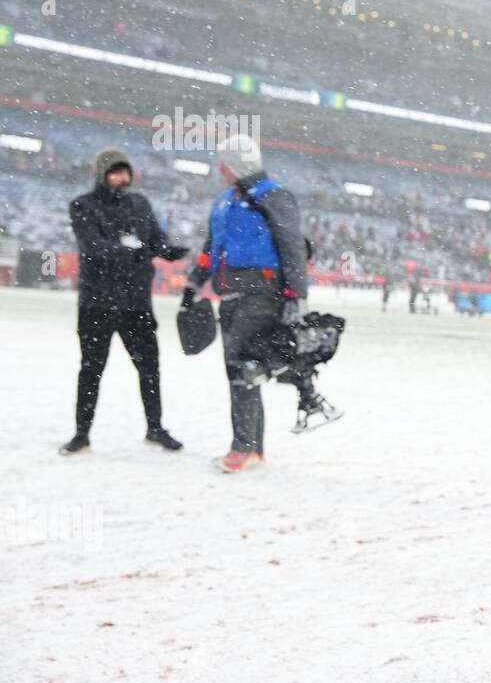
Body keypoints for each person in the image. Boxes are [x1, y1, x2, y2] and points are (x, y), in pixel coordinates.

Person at [184, 135, 318, 473]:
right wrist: (193, 284)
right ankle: (253, 448)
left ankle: (244, 448)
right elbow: (211, 246)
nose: (221, 169)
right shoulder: (225, 202)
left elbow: (293, 249)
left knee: (241, 364)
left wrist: (295, 297)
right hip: (230, 293)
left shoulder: (274, 197)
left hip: (264, 292)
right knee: (239, 367)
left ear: (235, 165)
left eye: (225, 163)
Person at [62, 147, 187, 456]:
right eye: (116, 172)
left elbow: (155, 239)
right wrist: (138, 252)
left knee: (149, 368)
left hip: (136, 304)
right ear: (102, 174)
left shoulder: (140, 204)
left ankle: (155, 429)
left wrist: (168, 250)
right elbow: (94, 248)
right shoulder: (83, 206)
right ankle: (81, 434)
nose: (123, 178)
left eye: (126, 172)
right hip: (97, 304)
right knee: (91, 370)